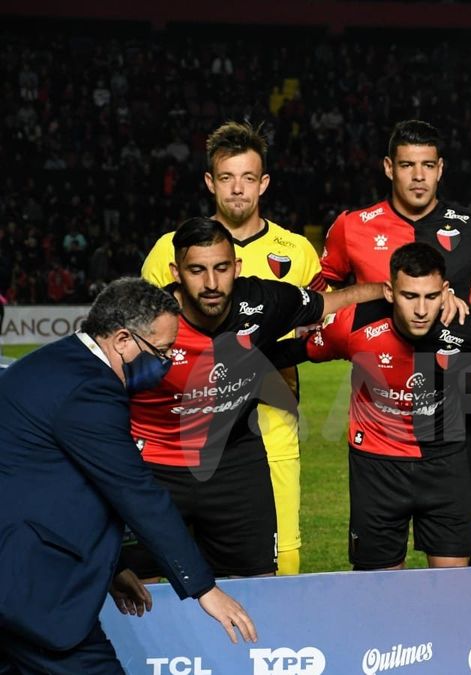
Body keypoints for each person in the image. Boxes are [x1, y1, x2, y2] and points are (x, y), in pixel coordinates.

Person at [0, 278, 255, 673]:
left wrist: (113, 566)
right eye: (162, 350)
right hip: (34, 590)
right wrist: (204, 588)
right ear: (121, 339)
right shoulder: (91, 390)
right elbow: (135, 492)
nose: (168, 362)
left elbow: (60, 486)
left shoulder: (58, 363)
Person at [125, 218, 381, 580]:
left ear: (237, 267)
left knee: (257, 586)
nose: (211, 284)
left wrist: (397, 291)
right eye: (197, 270)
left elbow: (332, 301)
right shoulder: (144, 320)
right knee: (139, 593)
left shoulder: (262, 300)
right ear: (175, 272)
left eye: (221, 268)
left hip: (236, 463)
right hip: (156, 468)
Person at [275, 243, 471, 569]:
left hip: (445, 464)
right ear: (389, 292)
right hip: (377, 467)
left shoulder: (464, 327)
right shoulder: (355, 325)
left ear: (445, 291)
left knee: (453, 589)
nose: (421, 309)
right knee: (381, 588)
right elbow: (297, 351)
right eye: (409, 296)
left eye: (431, 297)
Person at [141, 121, 324, 576]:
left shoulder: (297, 250)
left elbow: (323, 328)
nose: (237, 189)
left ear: (263, 183)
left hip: (272, 435)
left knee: (277, 571)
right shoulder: (168, 249)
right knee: (165, 574)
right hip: (181, 447)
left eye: (247, 178)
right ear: (210, 182)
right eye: (226, 178)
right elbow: (143, 345)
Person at [320, 119, 471, 523]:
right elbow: (320, 296)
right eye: (407, 165)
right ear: (389, 167)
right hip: (380, 410)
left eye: (427, 165)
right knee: (381, 550)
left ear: (441, 168)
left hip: (454, 401)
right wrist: (365, 308)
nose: (419, 176)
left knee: (457, 541)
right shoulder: (352, 227)